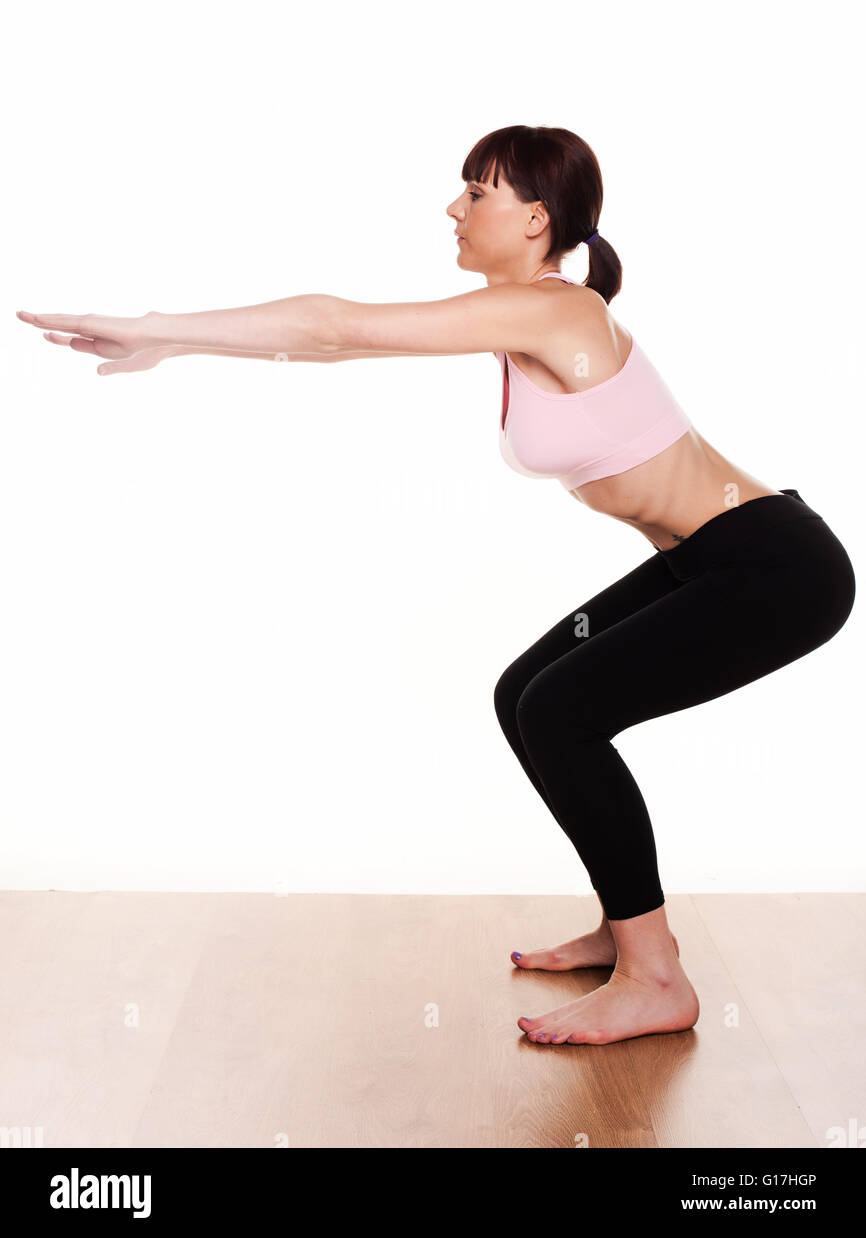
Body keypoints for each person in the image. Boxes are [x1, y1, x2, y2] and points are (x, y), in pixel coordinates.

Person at [17, 123, 856, 1048]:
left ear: (536, 218)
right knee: (526, 695)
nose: (454, 208)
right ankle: (631, 931)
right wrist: (177, 345)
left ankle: (657, 979)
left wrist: (161, 330)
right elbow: (333, 345)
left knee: (562, 711)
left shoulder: (554, 311)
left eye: (477, 193)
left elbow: (335, 327)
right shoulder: (524, 316)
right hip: (716, 556)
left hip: (774, 565)